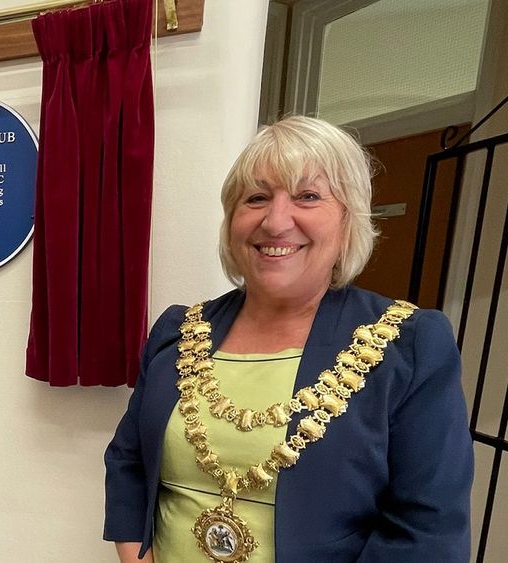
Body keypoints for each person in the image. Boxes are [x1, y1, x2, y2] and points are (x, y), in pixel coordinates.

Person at [104, 116, 473, 562]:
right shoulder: (178, 331)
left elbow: (426, 532)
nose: (276, 221)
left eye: (308, 196)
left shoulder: (408, 344)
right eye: (256, 198)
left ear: (348, 219)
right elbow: (127, 462)